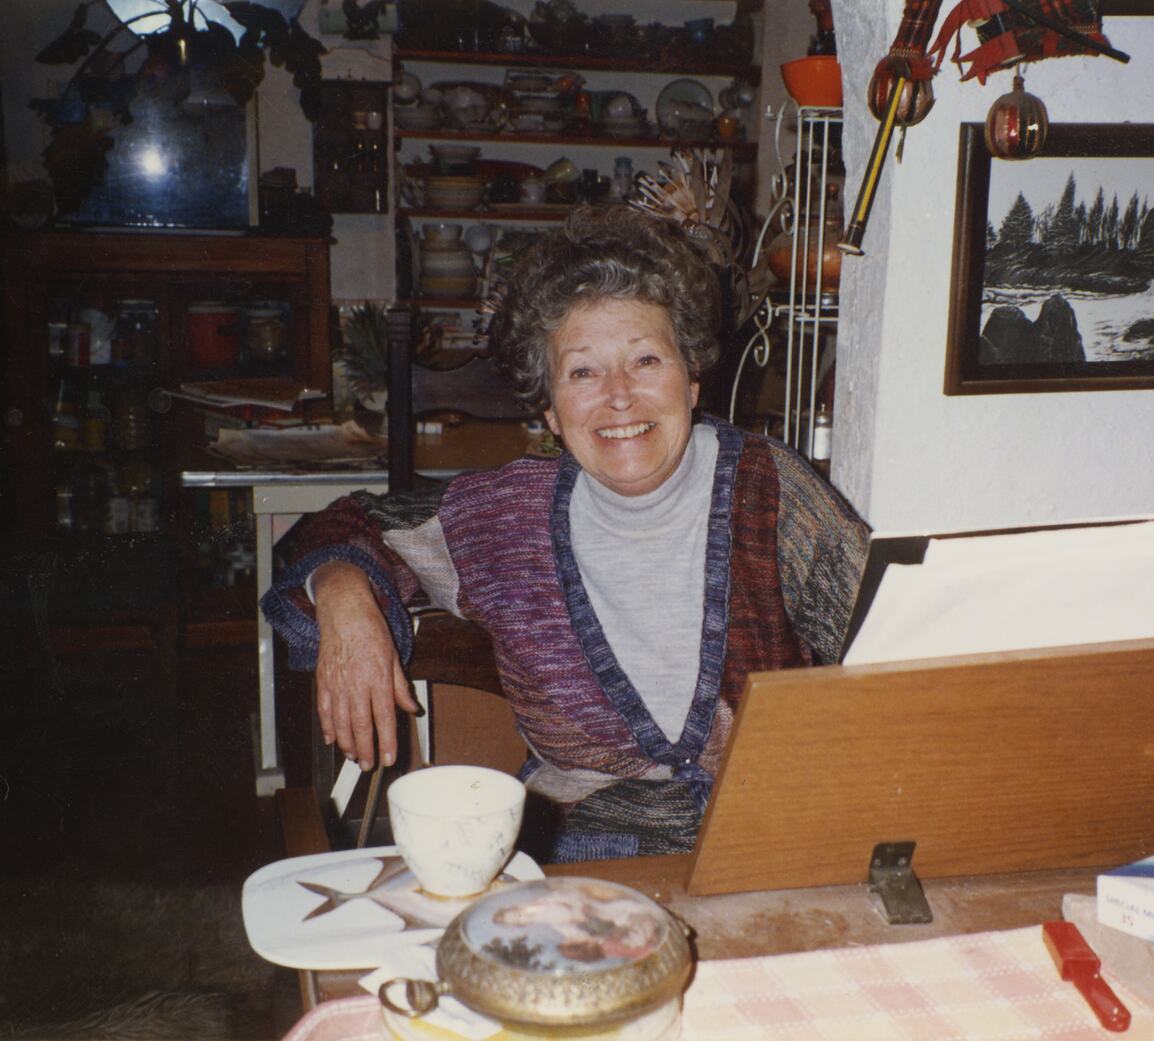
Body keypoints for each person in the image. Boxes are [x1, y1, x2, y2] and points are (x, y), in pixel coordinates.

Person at [262, 206, 869, 862]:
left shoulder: (768, 488)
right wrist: (347, 595)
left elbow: (889, 633)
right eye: (583, 371)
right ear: (549, 407)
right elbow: (343, 526)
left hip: (769, 844)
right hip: (579, 864)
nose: (619, 395)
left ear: (692, 379)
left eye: (645, 359)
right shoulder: (505, 519)